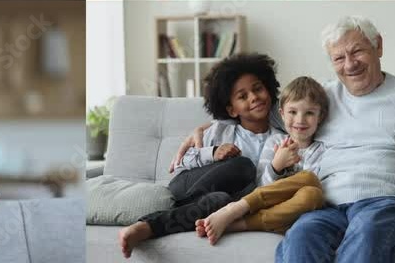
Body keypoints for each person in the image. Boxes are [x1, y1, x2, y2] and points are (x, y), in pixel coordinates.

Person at [171, 16, 395, 262]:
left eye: (357, 51)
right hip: (324, 203)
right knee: (301, 238)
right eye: (338, 57)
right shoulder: (320, 98)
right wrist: (208, 127)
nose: (349, 64)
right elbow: (257, 111)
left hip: (383, 201)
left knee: (367, 239)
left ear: (378, 46)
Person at [118, 53, 281, 258]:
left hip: (221, 201)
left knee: (221, 200)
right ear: (232, 110)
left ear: (268, 89)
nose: (254, 97)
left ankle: (147, 227)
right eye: (243, 96)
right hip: (185, 187)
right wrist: (212, 153)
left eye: (257, 89)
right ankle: (177, 207)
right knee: (243, 166)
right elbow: (180, 164)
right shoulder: (220, 130)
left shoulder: (281, 140)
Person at [196, 76, 328, 244]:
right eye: (292, 112)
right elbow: (260, 186)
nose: (300, 120)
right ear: (282, 114)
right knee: (309, 183)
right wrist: (276, 166)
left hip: (294, 214)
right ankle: (235, 210)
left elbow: (311, 194)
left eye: (309, 113)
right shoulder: (275, 142)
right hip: (267, 206)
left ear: (320, 116)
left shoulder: (321, 150)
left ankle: (238, 225)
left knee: (313, 193)